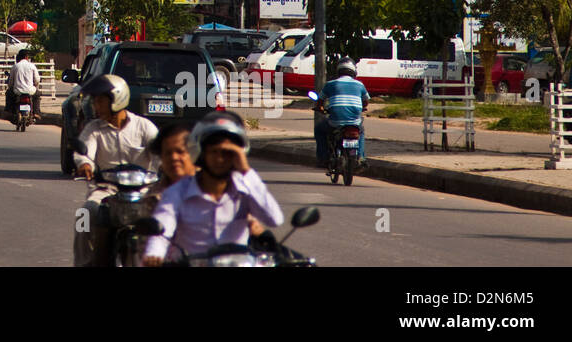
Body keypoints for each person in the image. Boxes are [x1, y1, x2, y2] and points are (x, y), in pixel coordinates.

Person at [143, 112, 284, 265]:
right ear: (200, 153)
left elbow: (274, 219)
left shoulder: (245, 190)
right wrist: (154, 254)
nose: (220, 159)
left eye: (227, 153)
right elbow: (162, 229)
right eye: (213, 152)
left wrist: (246, 171)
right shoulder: (177, 192)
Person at [72, 74, 159, 267]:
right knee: (83, 215)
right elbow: (84, 153)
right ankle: (83, 263)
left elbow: (161, 152)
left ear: (117, 99)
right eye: (95, 101)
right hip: (105, 191)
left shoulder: (144, 127)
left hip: (142, 192)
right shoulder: (93, 128)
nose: (96, 106)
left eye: (100, 101)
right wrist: (84, 164)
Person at [315, 59, 370, 166]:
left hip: (335, 122)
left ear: (338, 71)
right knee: (361, 132)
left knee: (319, 129)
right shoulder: (359, 85)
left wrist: (320, 108)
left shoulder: (330, 84)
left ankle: (323, 157)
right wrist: (362, 107)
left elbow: (320, 101)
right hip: (354, 122)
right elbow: (366, 101)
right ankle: (361, 157)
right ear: (354, 71)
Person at [6, 48, 42, 123]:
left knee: (9, 94)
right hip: (30, 91)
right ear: (26, 57)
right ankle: (36, 112)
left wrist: (10, 87)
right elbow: (37, 79)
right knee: (37, 95)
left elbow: (11, 81)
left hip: (17, 91)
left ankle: (9, 112)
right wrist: (35, 85)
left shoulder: (15, 66)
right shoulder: (32, 66)